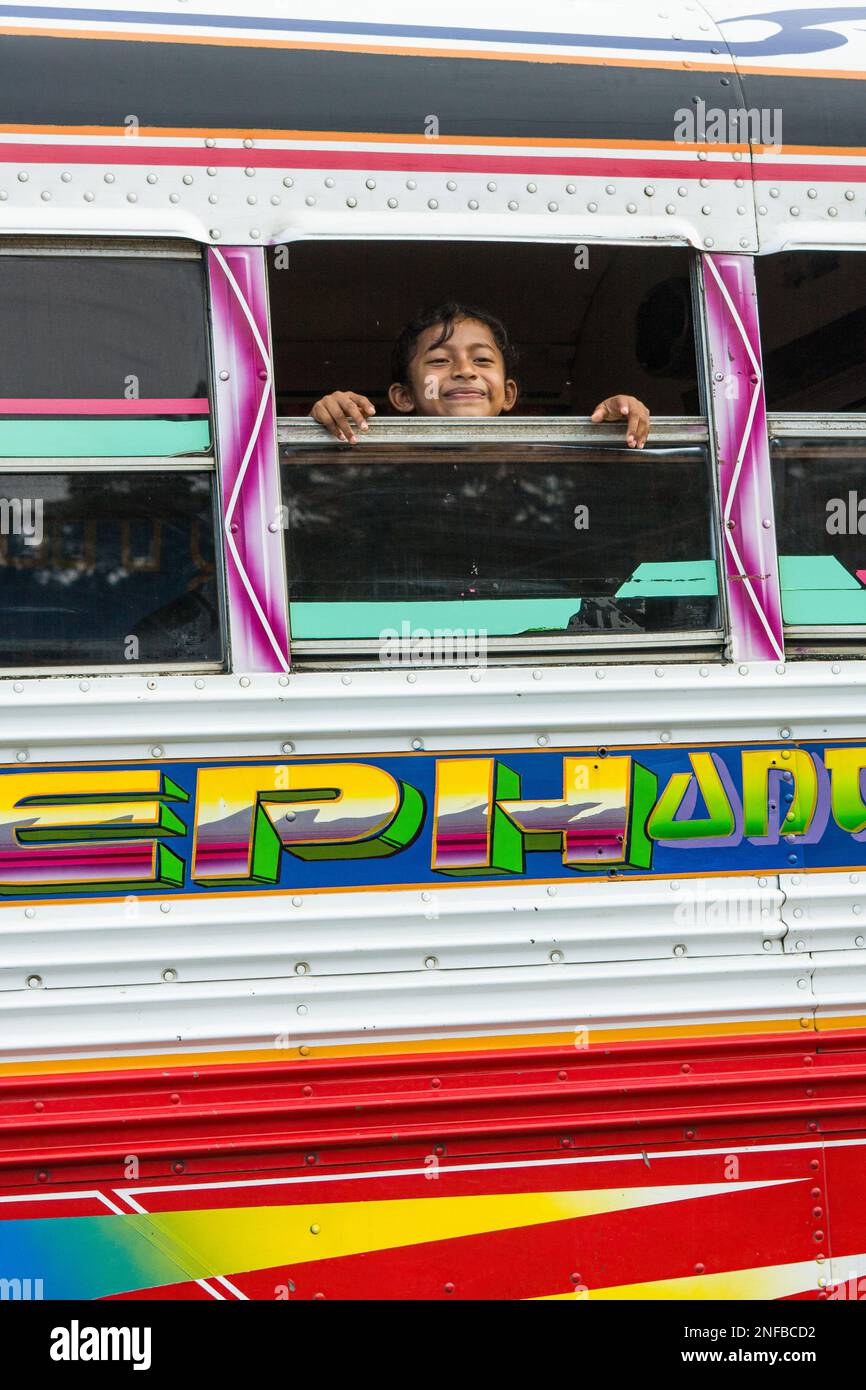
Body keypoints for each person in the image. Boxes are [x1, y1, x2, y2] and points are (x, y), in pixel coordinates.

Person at [309, 301, 651, 446]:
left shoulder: (537, 464)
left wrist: (617, 425)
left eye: (483, 360)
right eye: (440, 361)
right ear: (404, 396)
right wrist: (332, 416)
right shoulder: (381, 458)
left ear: (508, 394)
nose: (465, 371)